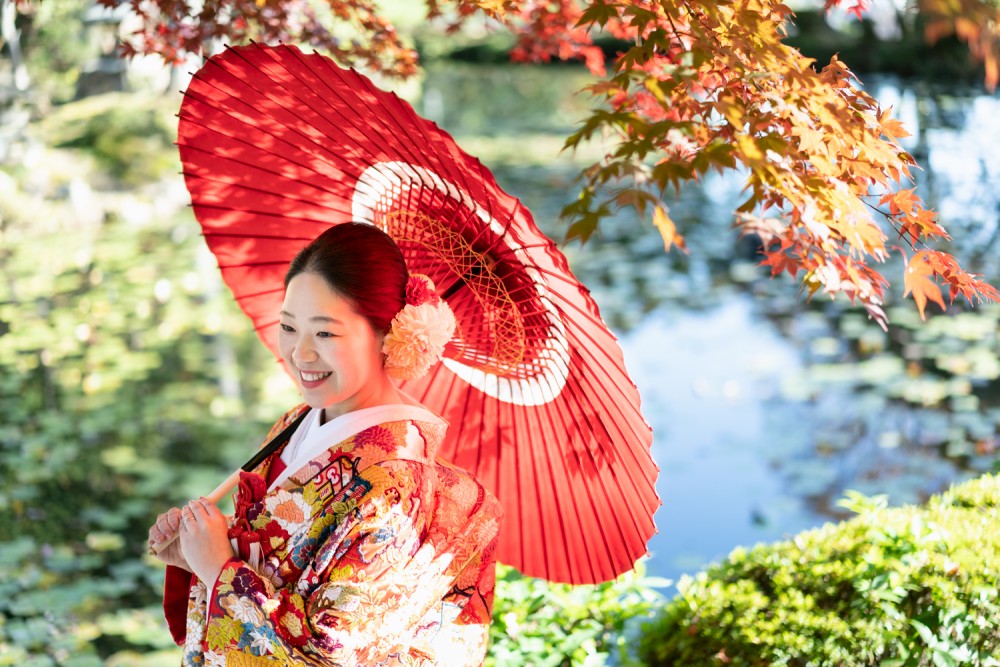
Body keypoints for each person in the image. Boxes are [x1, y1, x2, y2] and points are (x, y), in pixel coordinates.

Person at [147, 222, 503, 667]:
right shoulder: (296, 422)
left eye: (326, 333)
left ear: (388, 334)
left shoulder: (397, 484)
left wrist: (221, 569)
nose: (300, 354)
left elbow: (332, 655)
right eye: (290, 327)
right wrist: (197, 553)